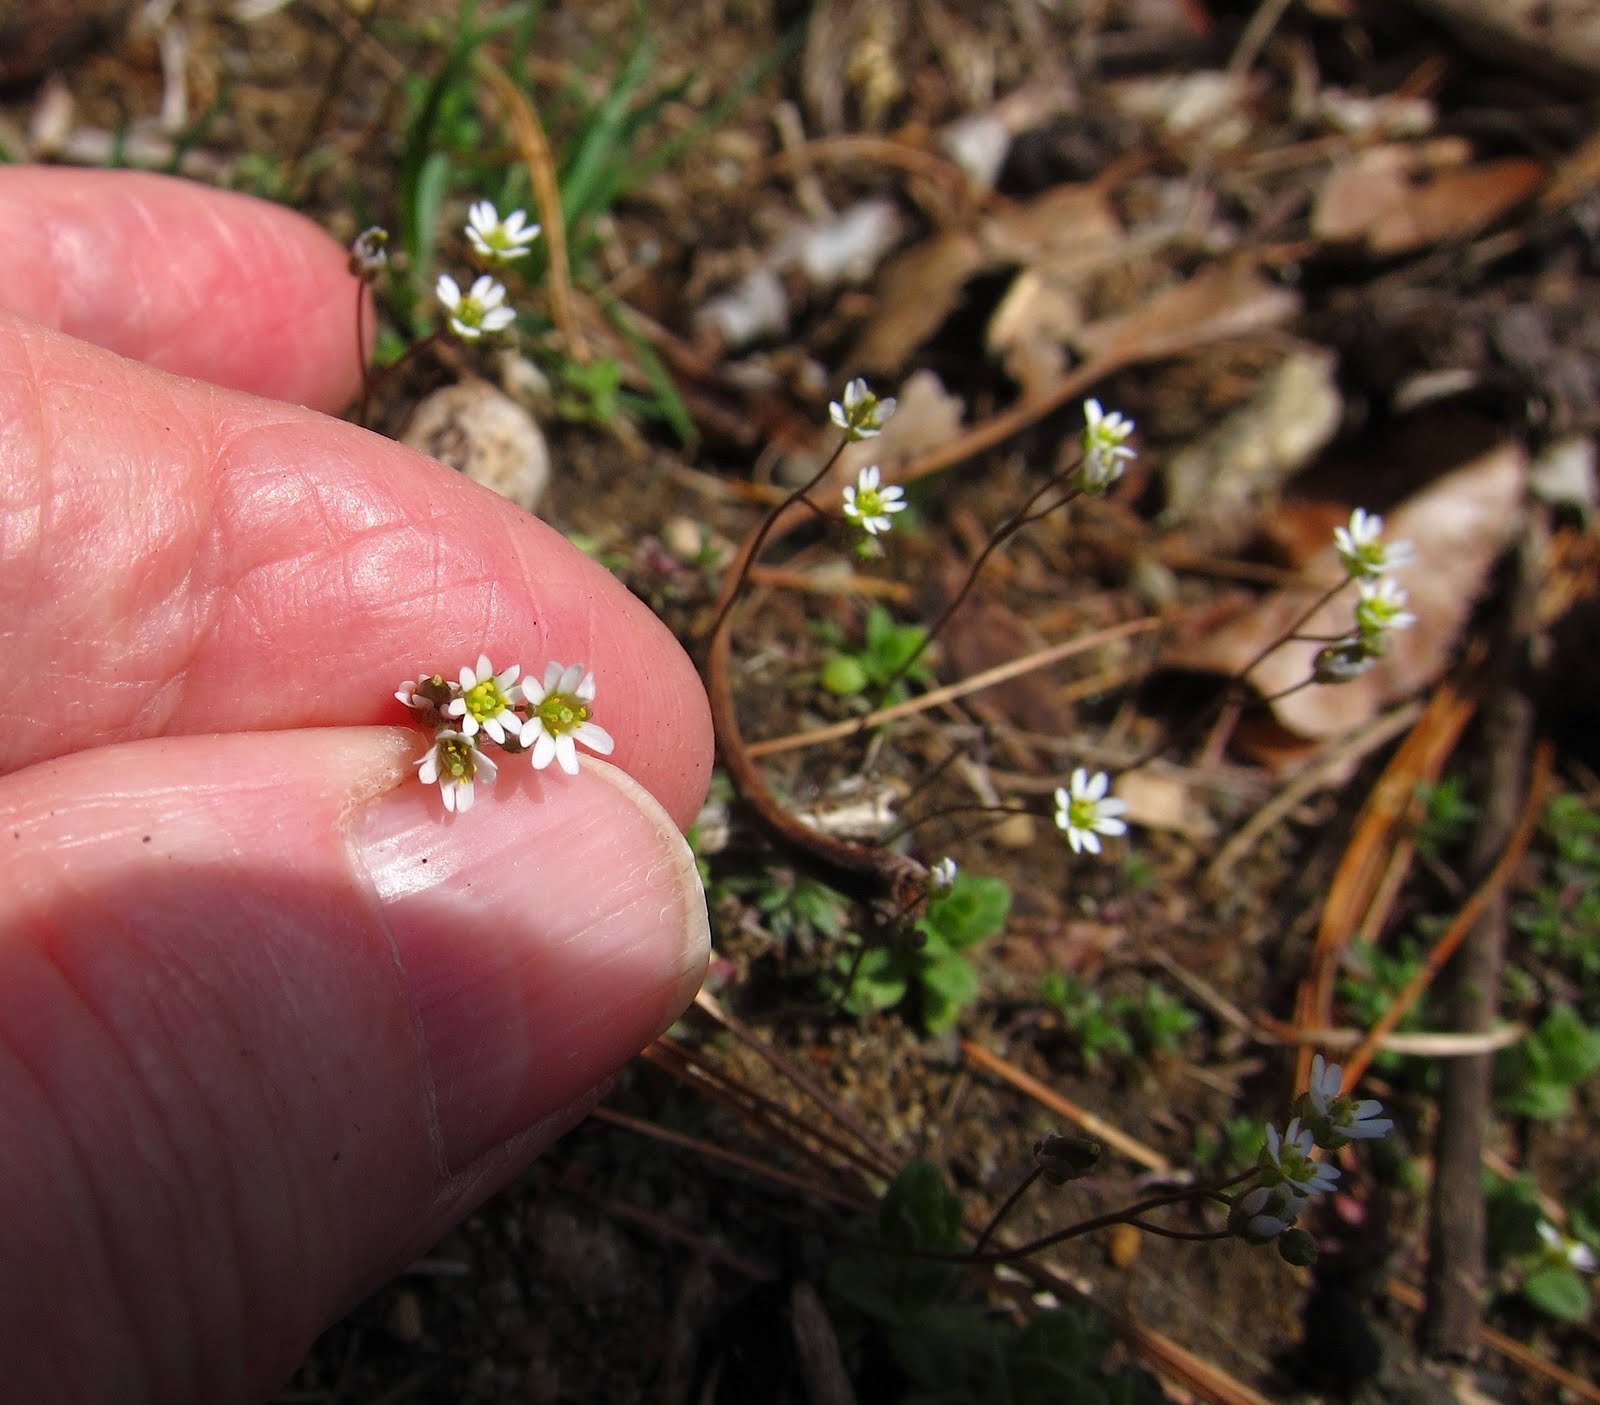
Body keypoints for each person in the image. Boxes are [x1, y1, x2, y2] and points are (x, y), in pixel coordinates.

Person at [0, 166, 712, 1401]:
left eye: (513, 709)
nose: (514, 712)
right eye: (509, 707)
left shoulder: (518, 713)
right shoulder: (486, 718)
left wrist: (481, 715)